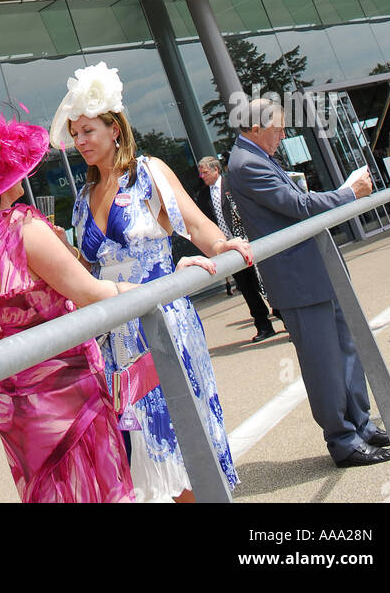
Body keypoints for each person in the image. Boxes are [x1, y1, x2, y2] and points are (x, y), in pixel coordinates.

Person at [51, 62, 247, 503]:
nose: (79, 142)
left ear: (115, 129)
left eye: (87, 131)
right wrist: (58, 252)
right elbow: (87, 268)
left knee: (178, 439)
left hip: (161, 325)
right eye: (75, 133)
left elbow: (197, 227)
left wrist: (224, 247)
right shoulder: (82, 198)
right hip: (114, 338)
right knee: (142, 453)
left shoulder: (148, 173)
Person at [0, 109, 137, 503]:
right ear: (8, 174)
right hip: (70, 389)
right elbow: (89, 293)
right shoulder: (21, 226)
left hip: (16, 404)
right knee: (99, 489)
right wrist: (133, 289)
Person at [227, 98, 390, 468]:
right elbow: (298, 206)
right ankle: (343, 439)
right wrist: (349, 193)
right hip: (298, 278)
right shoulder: (246, 164)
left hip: (312, 271)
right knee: (324, 362)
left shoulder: (256, 157)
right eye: (277, 129)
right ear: (255, 128)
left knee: (345, 350)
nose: (283, 136)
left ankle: (360, 426)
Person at [196, 155, 274, 343]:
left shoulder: (233, 185)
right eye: (200, 173)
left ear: (216, 170)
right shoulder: (203, 196)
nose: (202, 176)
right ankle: (263, 325)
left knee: (264, 282)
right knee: (246, 288)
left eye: (205, 172)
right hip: (228, 251)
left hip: (247, 242)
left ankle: (285, 317)